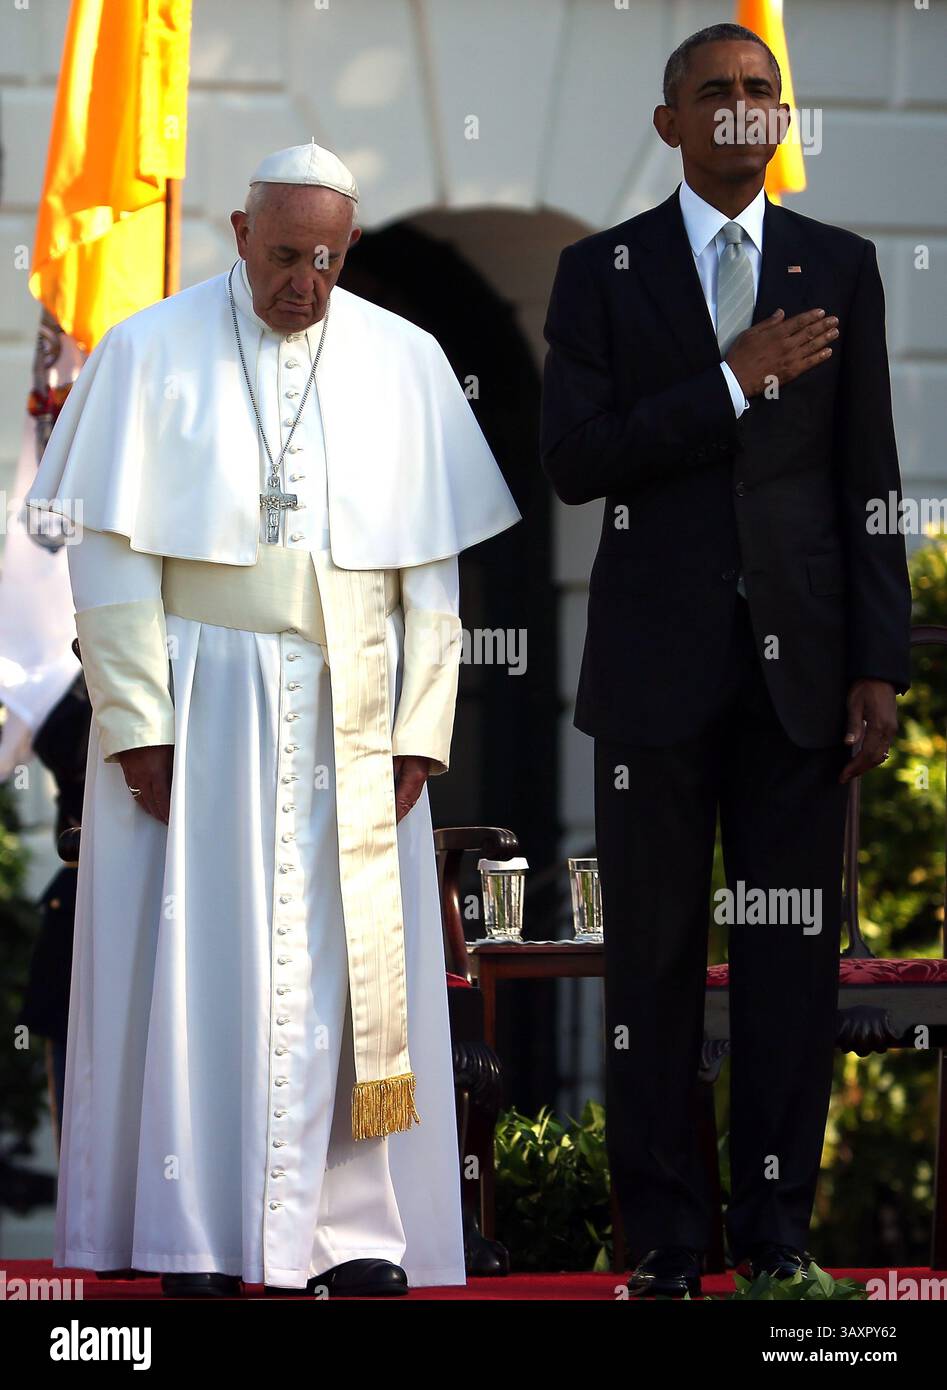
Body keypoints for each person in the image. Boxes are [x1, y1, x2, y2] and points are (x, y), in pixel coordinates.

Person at [27, 141, 521, 1298]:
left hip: (350, 703)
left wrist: (421, 724)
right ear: (239, 235)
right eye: (285, 252)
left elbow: (431, 578)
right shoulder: (150, 350)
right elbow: (108, 558)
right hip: (196, 696)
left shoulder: (405, 361)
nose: (304, 279)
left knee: (350, 981)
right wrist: (135, 718)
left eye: (328, 259)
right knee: (195, 969)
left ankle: (349, 1235)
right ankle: (190, 1234)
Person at [540, 24, 911, 1298]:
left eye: (760, 91)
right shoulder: (599, 273)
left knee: (787, 967)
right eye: (716, 92)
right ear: (669, 125)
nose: (742, 109)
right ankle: (661, 1244)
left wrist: (879, 663)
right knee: (647, 962)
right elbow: (577, 459)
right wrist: (728, 380)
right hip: (654, 673)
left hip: (802, 676)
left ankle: (776, 1240)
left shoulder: (839, 266)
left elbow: (868, 474)